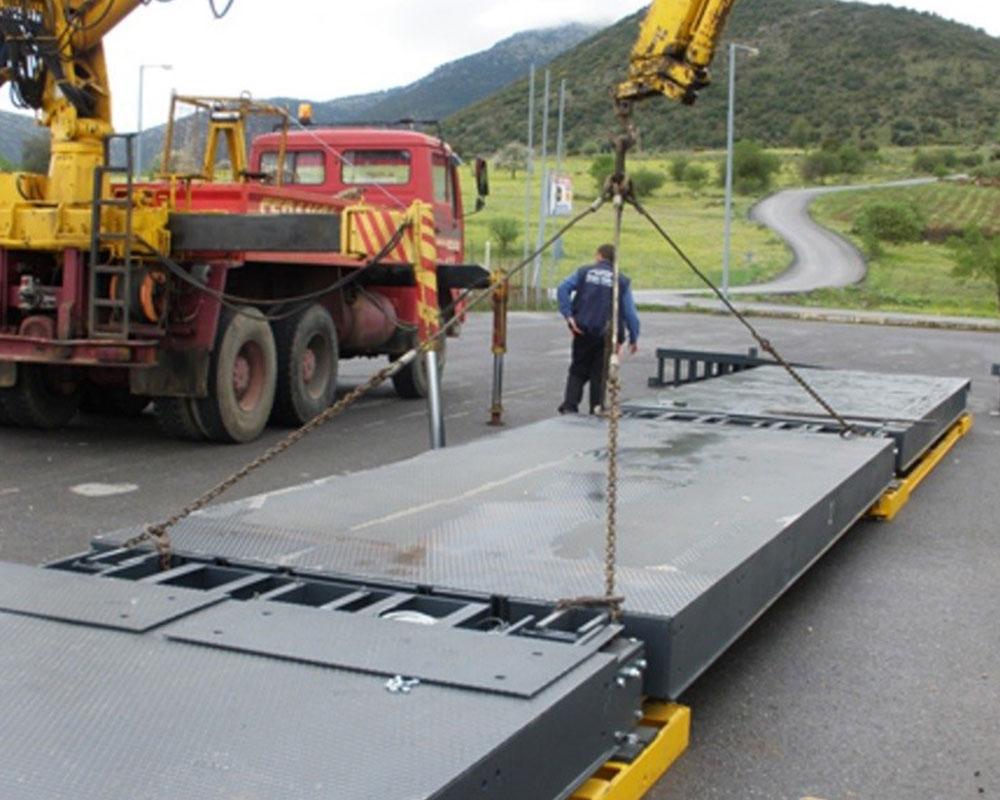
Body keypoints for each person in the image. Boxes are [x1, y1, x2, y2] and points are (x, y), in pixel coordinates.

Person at [556, 244, 640, 415]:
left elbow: (562, 288)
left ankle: (570, 406)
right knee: (599, 374)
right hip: (607, 335)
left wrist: (568, 315)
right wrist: (633, 338)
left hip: (582, 330)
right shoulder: (622, 281)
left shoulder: (584, 272)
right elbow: (630, 313)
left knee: (578, 369)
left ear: (599, 255)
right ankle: (596, 408)